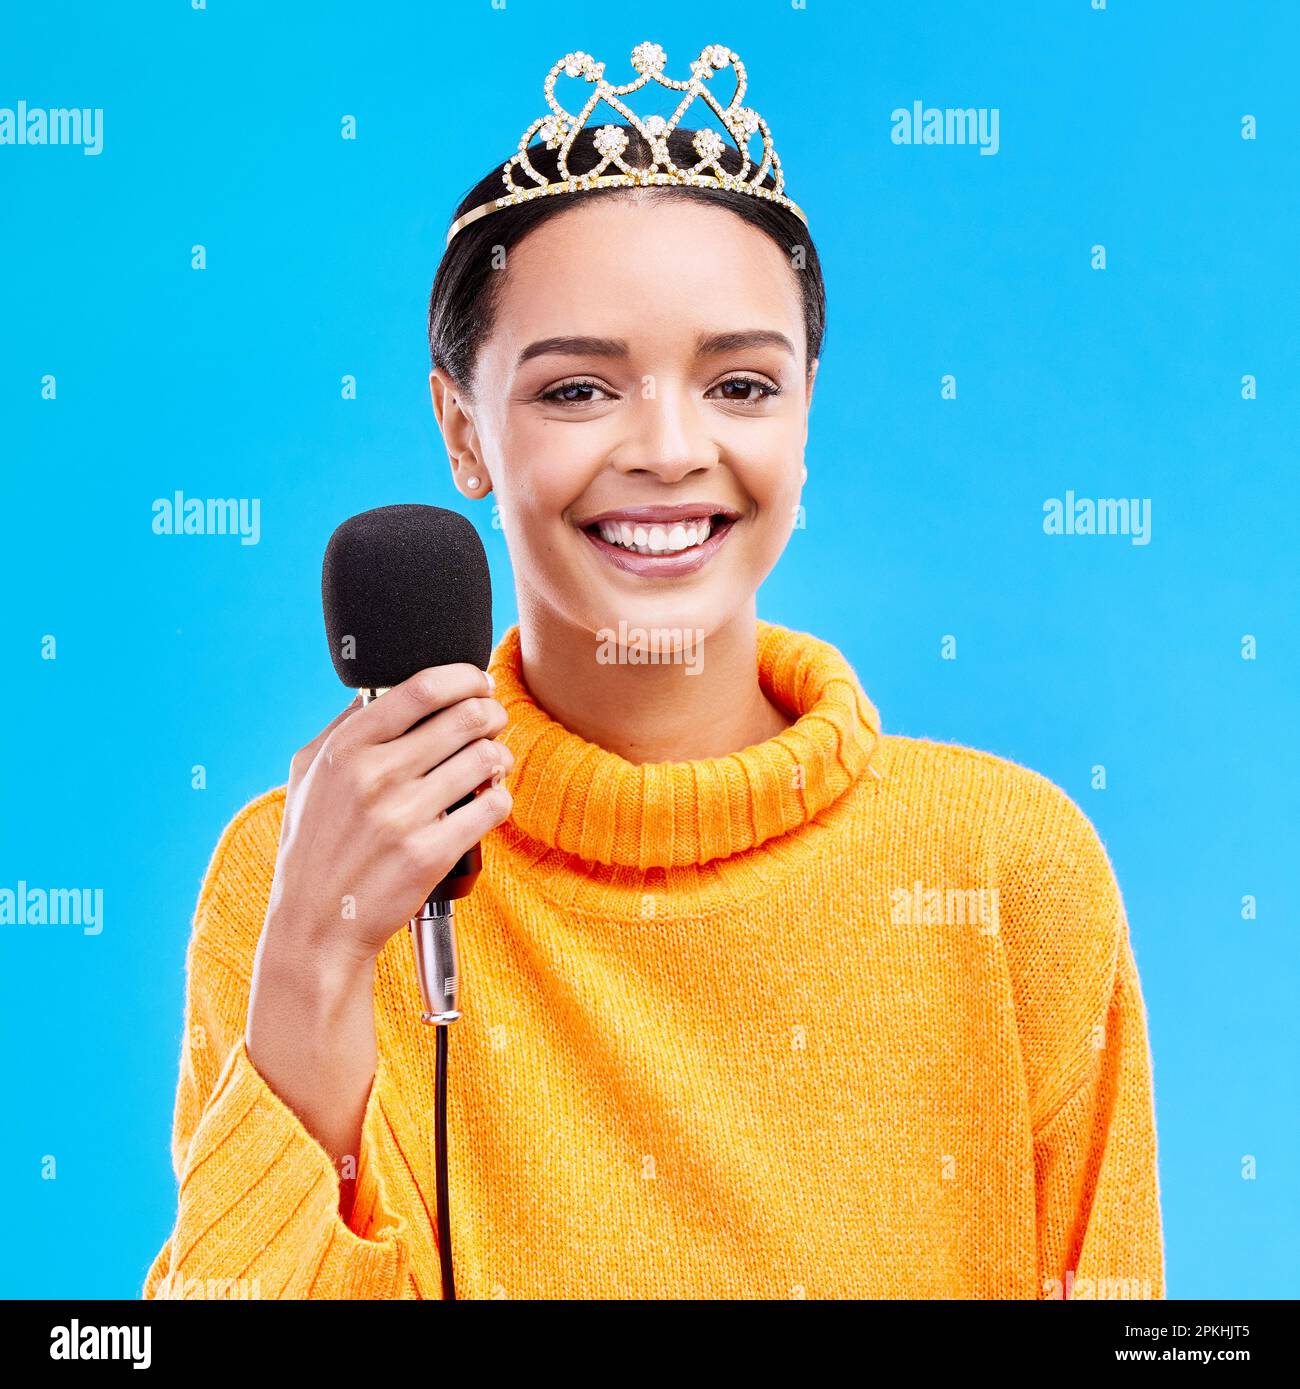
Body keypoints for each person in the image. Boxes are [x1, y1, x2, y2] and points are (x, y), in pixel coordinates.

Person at [143, 42, 1164, 1300]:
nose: (672, 450)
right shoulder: (299, 874)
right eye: (579, 387)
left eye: (740, 384)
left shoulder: (1010, 868)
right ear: (464, 427)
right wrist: (309, 960)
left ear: (802, 419)